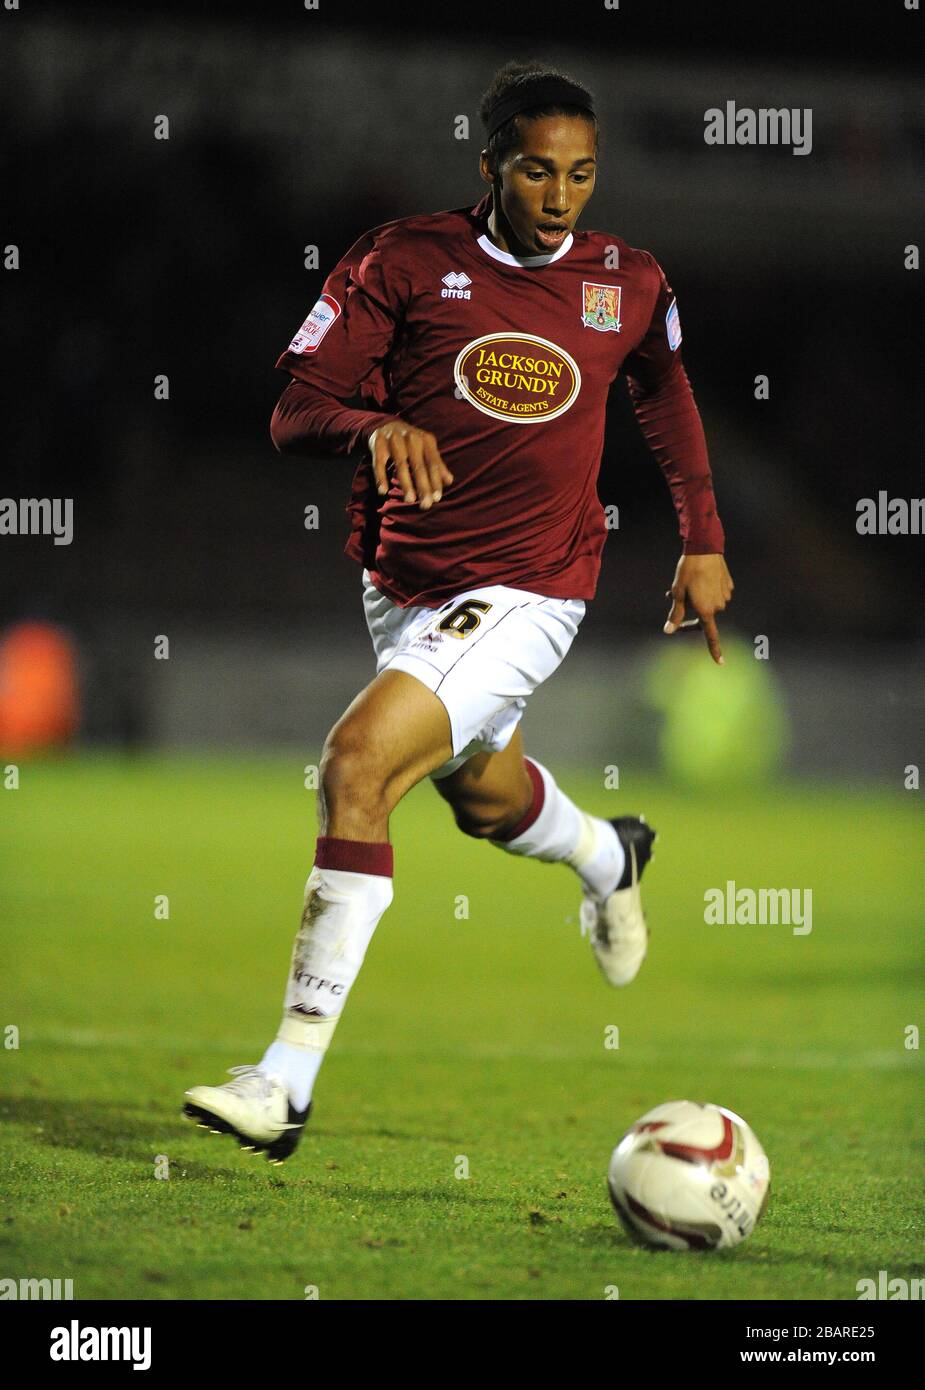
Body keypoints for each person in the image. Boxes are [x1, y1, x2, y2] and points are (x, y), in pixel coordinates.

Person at [184, 60, 733, 1163]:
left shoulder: (627, 281)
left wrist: (704, 538)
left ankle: (282, 1081)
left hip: (534, 588)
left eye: (582, 174)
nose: (561, 196)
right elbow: (296, 409)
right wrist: (373, 428)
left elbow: (662, 391)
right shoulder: (402, 260)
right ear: (489, 167)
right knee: (482, 800)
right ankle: (607, 858)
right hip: (404, 585)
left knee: (355, 763)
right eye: (538, 172)